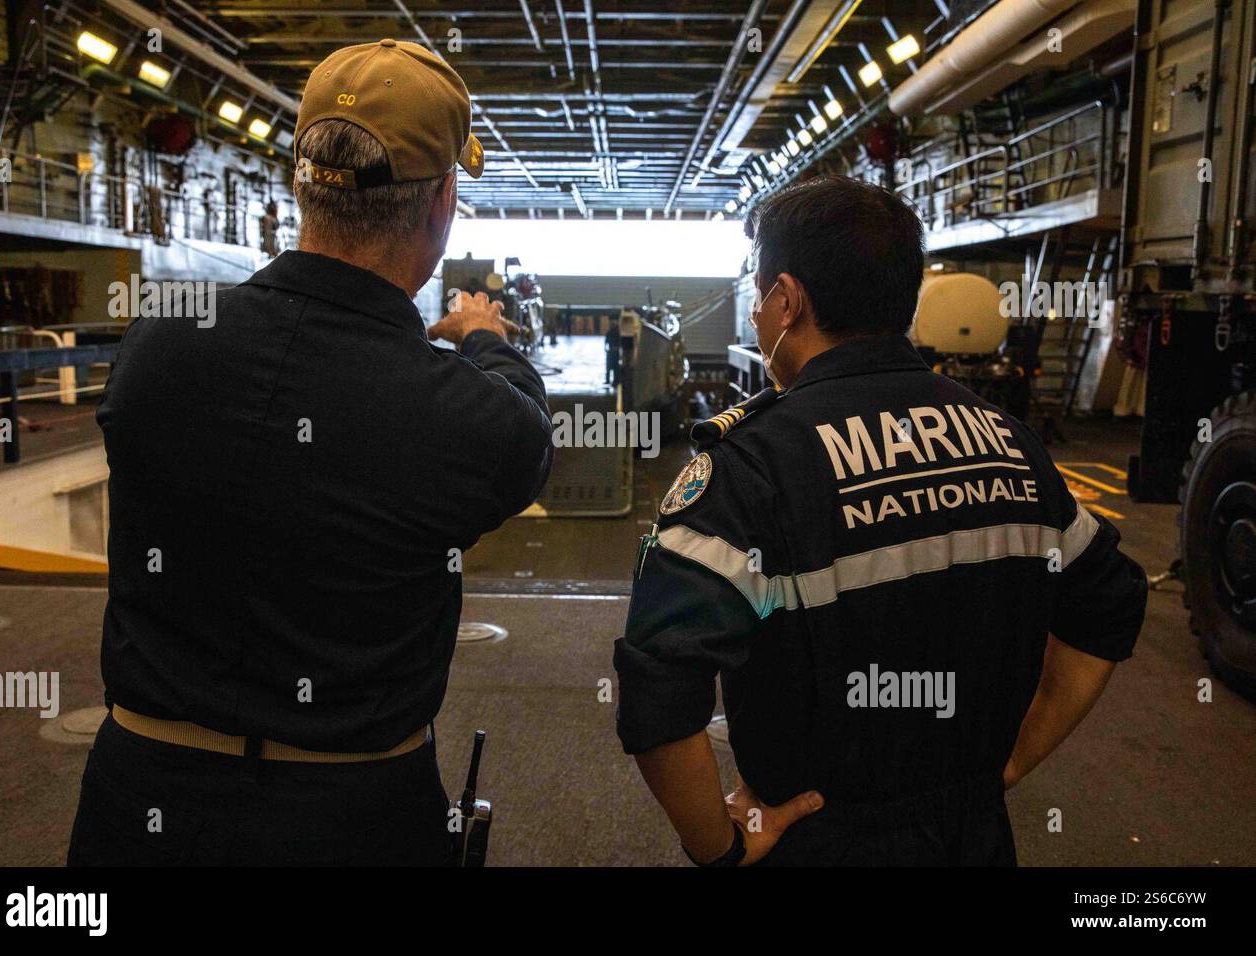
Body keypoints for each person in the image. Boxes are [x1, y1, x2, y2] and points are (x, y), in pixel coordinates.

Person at [68, 38, 553, 866]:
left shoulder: (157, 348)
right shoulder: (461, 416)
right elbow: (526, 434)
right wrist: (483, 337)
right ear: (442, 202)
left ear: (302, 183)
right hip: (354, 816)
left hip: (138, 799)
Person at [613, 175, 1147, 867]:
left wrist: (720, 847)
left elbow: (659, 686)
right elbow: (1111, 602)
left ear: (788, 300)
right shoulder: (1012, 442)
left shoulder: (751, 468)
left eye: (759, 296)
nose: (757, 316)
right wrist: (1011, 763)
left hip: (817, 840)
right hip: (976, 838)